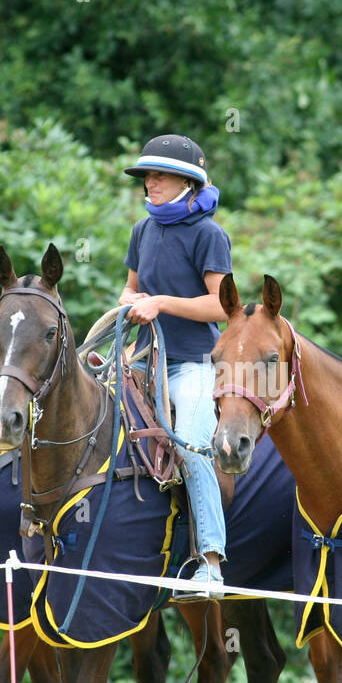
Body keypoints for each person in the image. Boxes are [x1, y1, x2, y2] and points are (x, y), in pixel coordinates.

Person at [119, 134, 229, 601]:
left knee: (194, 445)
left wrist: (161, 303)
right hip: (143, 364)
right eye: (147, 176)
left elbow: (221, 307)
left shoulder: (209, 234)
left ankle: (210, 563)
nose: (151, 183)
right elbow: (128, 290)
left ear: (187, 181)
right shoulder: (142, 231)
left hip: (195, 366)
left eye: (159, 175)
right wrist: (133, 303)